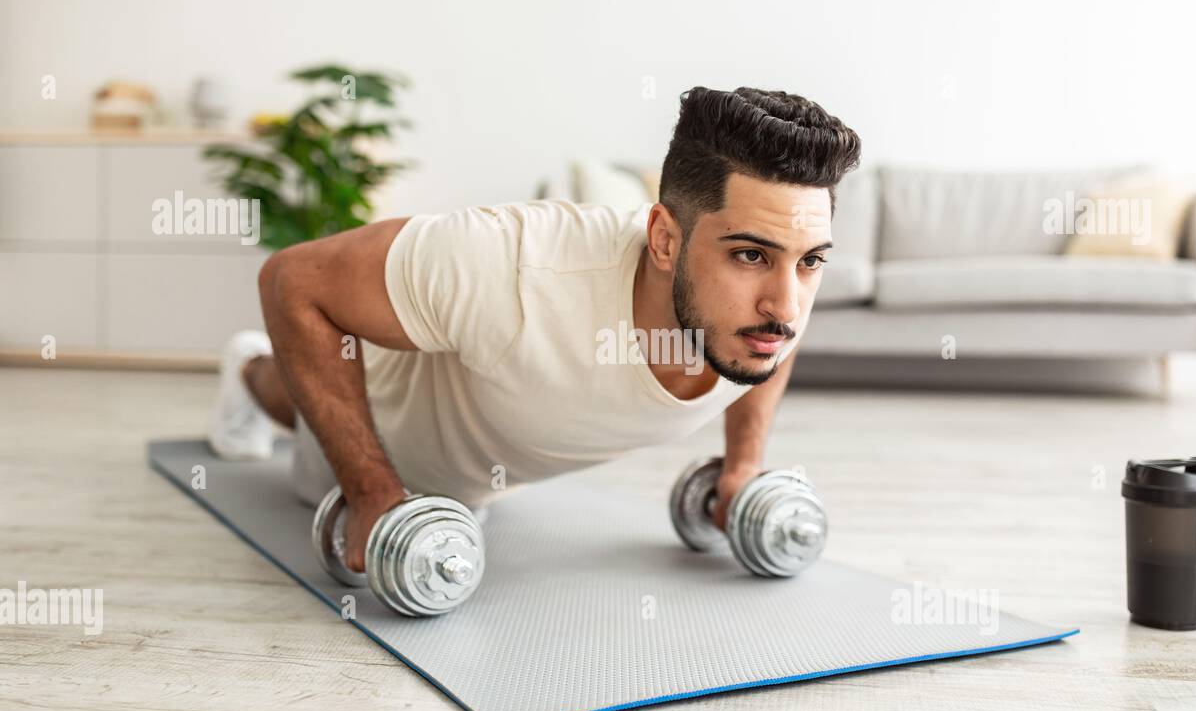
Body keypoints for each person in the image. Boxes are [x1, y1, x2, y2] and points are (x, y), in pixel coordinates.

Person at [208, 85, 860, 572]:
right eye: (750, 255)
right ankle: (247, 374)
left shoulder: (768, 306)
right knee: (284, 397)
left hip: (501, 455)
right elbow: (290, 280)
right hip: (391, 424)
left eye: (809, 263)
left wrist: (744, 464)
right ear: (664, 238)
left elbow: (775, 343)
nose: (786, 305)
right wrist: (372, 490)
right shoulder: (513, 263)